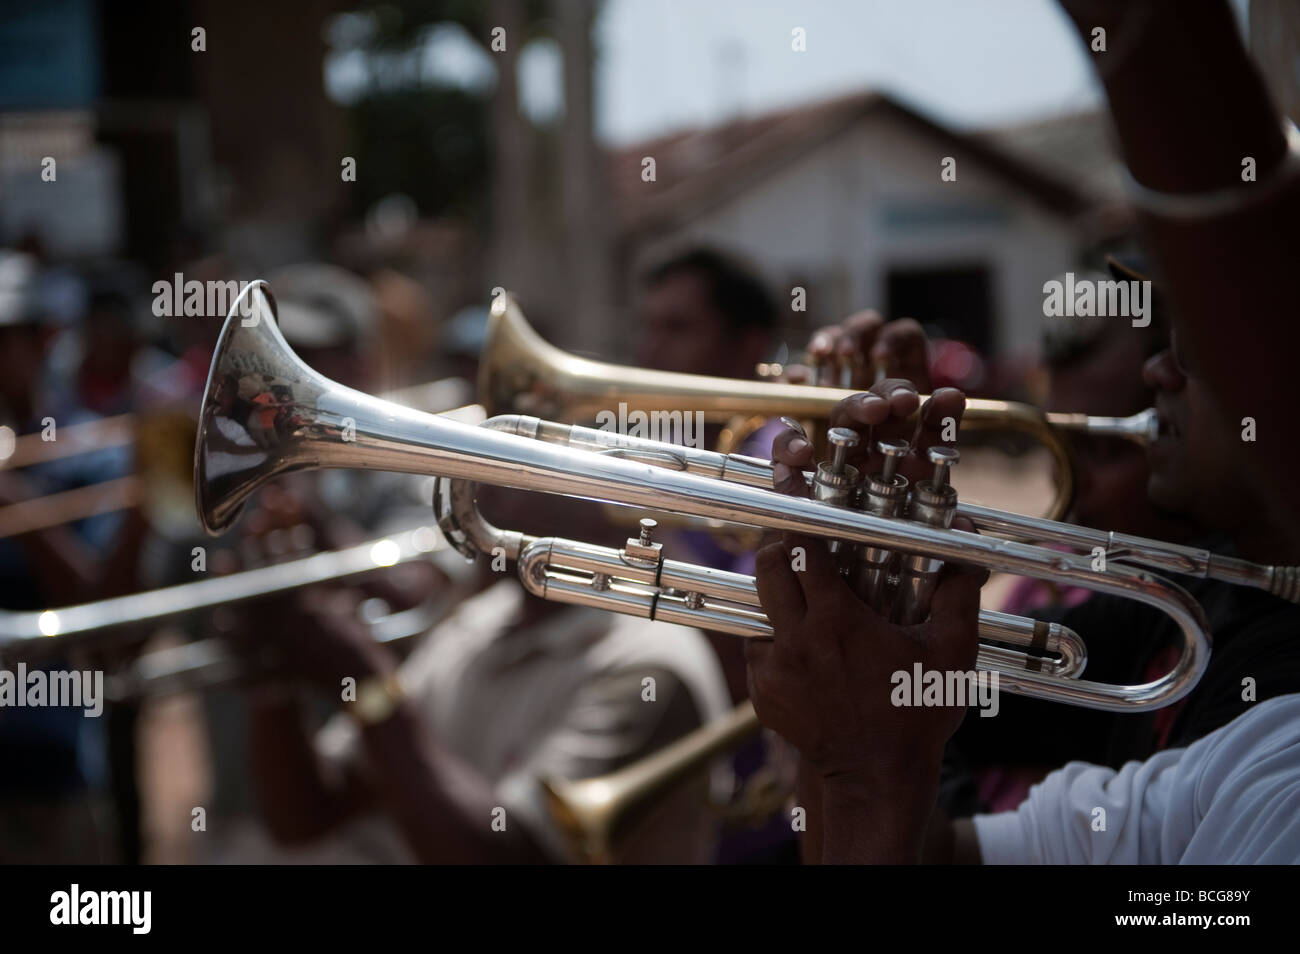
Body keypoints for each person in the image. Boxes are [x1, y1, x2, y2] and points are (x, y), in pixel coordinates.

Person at [744, 0, 1300, 863]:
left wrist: (863, 770)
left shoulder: (1268, 700)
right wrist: (857, 616)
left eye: (1194, 336)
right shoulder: (1225, 692)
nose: (1163, 367)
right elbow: (936, 818)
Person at [239, 486, 731, 864]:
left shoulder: (648, 666)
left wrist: (367, 683)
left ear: (604, 501)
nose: (485, 494)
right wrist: (274, 679)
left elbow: (503, 855)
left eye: (522, 479)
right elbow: (306, 815)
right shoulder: (481, 619)